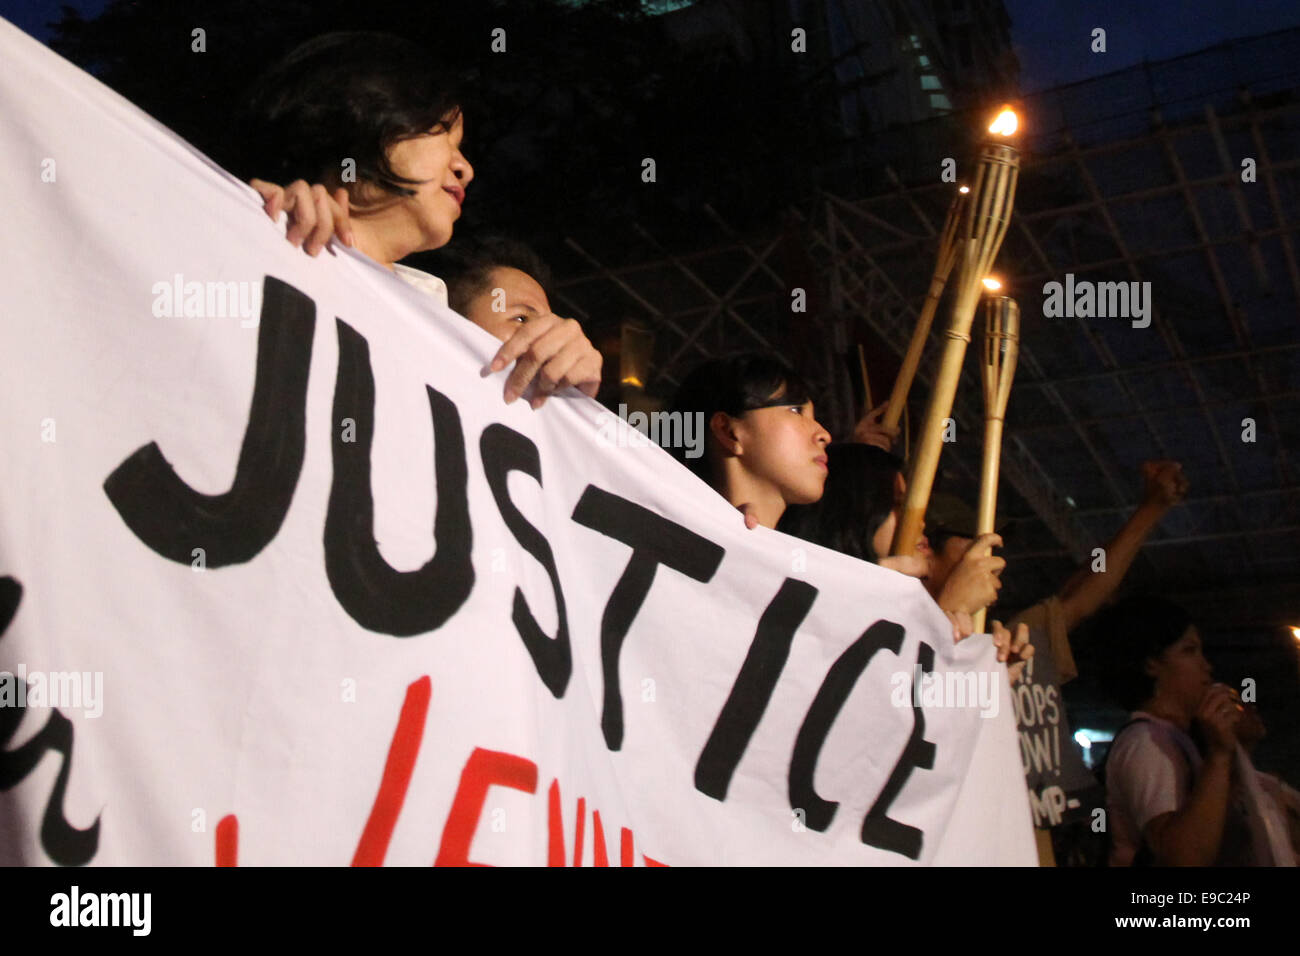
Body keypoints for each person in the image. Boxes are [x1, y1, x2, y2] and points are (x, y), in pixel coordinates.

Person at [235, 32, 601, 408]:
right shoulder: (249, 231)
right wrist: (254, 228)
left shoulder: (441, 324)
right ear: (365, 118)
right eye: (442, 132)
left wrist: (568, 406)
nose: (465, 168)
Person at [1098, 595, 1263, 866]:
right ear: (1151, 663)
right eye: (1189, 650)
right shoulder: (1146, 743)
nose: (1206, 666)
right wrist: (1220, 755)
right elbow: (1185, 858)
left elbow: (1219, 833)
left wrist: (1240, 748)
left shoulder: (1174, 739)